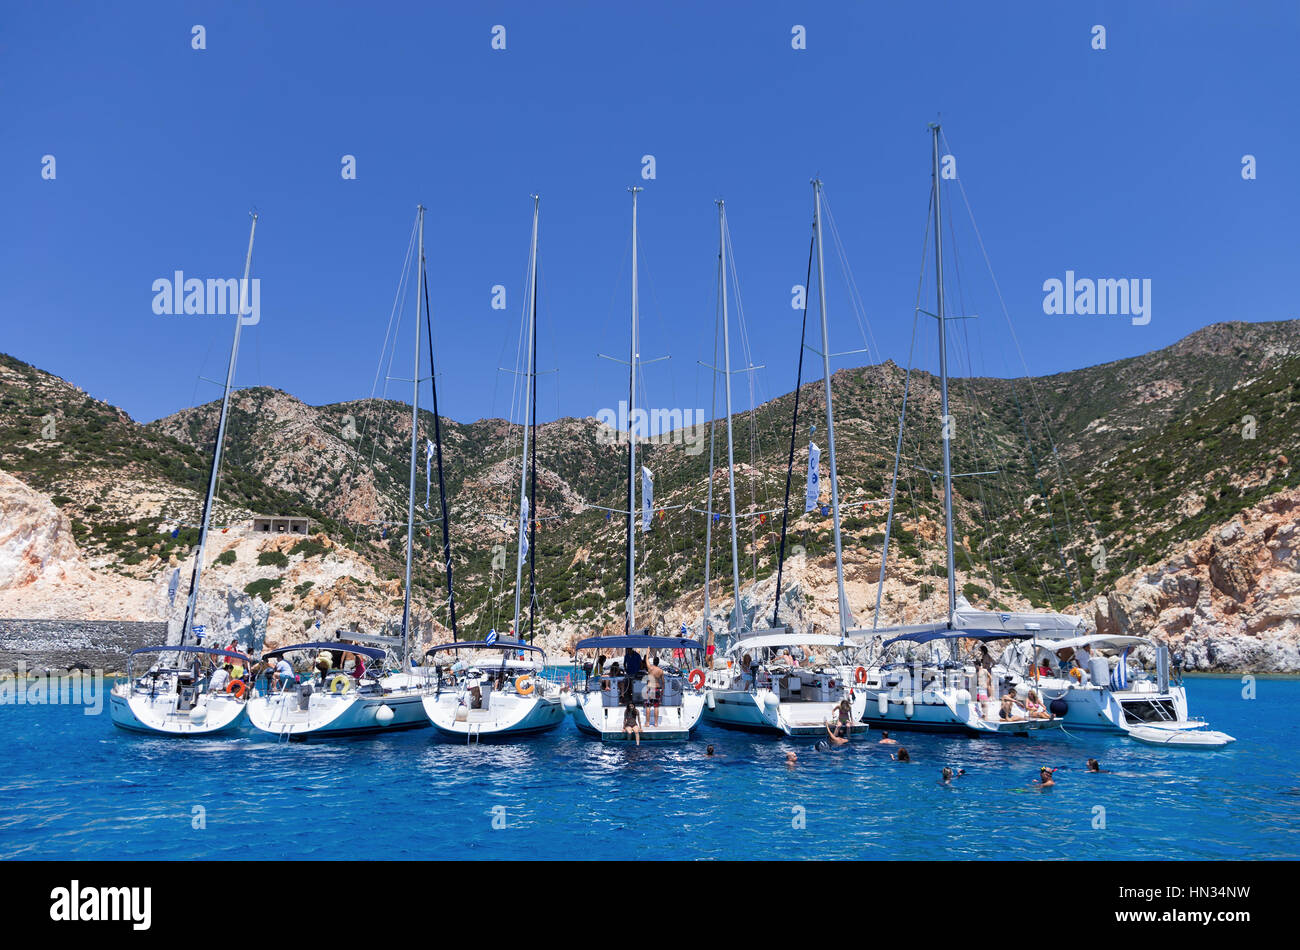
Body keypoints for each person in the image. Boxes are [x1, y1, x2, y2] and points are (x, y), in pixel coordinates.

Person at [644, 653, 664, 726]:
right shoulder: (660, 671)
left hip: (650, 689)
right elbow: (663, 682)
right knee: (656, 706)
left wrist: (648, 651)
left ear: (653, 662)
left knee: (648, 706)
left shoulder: (650, 668)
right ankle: (656, 723)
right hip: (657, 689)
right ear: (658, 662)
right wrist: (663, 690)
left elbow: (646, 660)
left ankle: (647, 723)